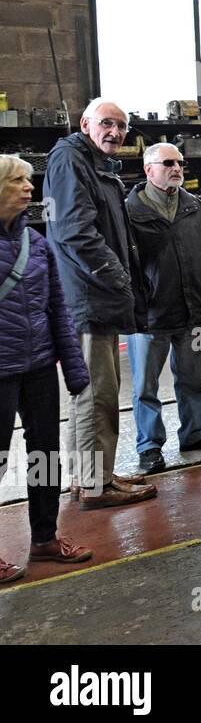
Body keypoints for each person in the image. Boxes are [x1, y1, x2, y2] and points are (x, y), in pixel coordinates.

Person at [43, 99, 156, 509]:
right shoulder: (71, 161)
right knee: (98, 393)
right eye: (106, 123)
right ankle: (96, 484)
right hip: (90, 297)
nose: (115, 132)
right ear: (85, 124)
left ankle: (89, 476)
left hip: (95, 296)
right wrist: (118, 278)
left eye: (122, 126)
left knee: (90, 391)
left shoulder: (92, 164)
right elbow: (75, 232)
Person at [0, 155, 95, 581]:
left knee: (45, 455)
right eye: (18, 180)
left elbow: (59, 308)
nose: (28, 188)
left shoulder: (35, 243)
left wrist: (74, 370)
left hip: (39, 368)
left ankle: (44, 538)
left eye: (28, 180)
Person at [125, 142, 201, 474]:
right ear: (148, 169)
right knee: (145, 386)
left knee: (193, 380)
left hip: (192, 312)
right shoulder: (130, 212)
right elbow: (124, 263)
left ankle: (195, 433)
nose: (177, 168)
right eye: (168, 163)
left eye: (180, 163)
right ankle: (149, 446)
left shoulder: (195, 207)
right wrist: (138, 301)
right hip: (150, 317)